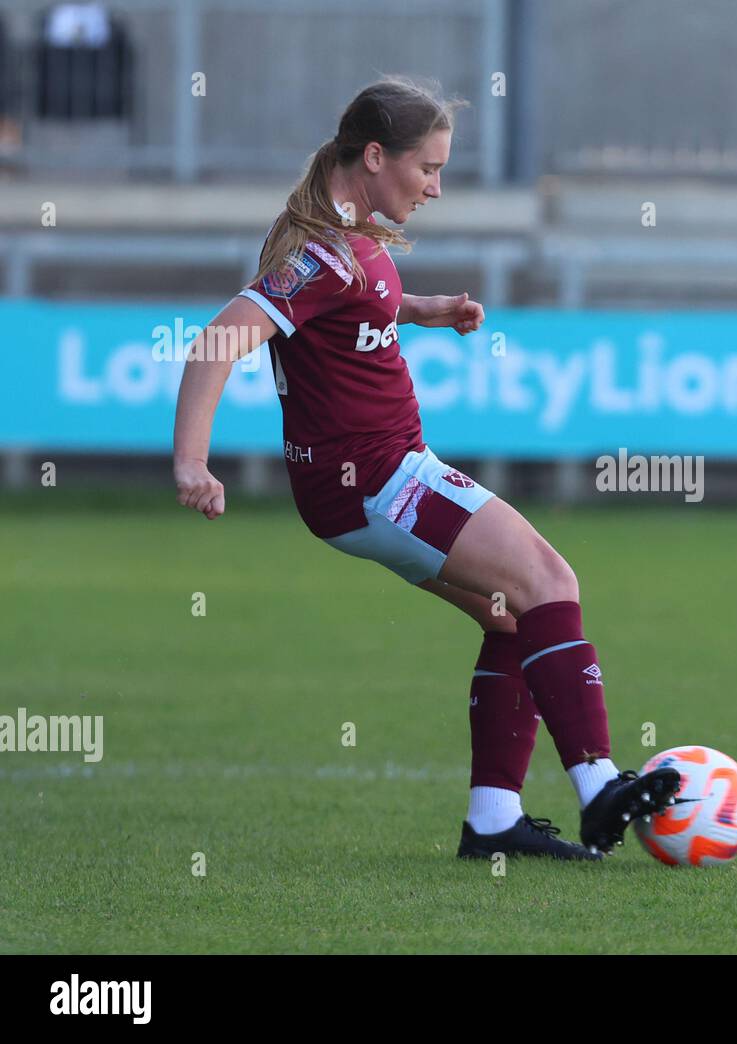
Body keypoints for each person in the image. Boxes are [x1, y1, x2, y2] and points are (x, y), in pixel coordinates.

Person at [172, 77, 678, 860]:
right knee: (551, 581)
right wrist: (192, 461)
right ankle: (601, 783)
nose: (435, 188)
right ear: (375, 157)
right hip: (379, 478)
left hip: (359, 488)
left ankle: (493, 822)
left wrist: (424, 308)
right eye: (427, 168)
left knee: (511, 614)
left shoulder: (345, 242)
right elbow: (215, 341)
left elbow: (356, 300)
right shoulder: (320, 254)